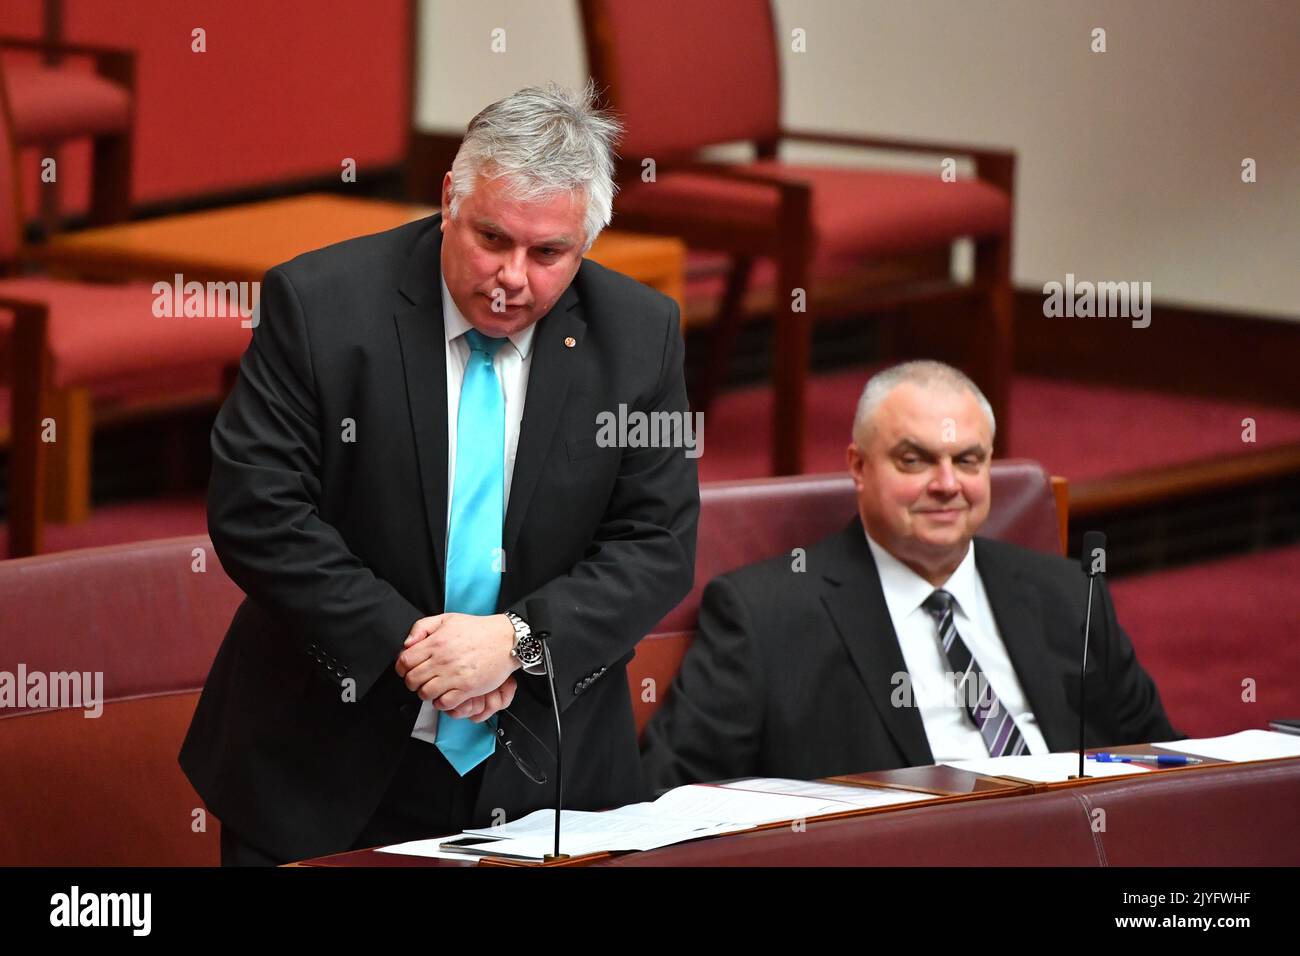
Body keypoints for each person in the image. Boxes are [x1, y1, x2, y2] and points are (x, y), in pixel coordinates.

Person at [180, 83, 699, 865]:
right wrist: (417, 649)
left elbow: (655, 542)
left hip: (546, 775)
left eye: (548, 253)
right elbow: (261, 510)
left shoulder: (639, 336)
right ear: (450, 196)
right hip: (326, 763)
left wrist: (518, 641)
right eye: (492, 238)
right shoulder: (321, 305)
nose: (512, 277)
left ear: (588, 243)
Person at [641, 360, 1175, 790]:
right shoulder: (766, 615)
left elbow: (1161, 760)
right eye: (915, 460)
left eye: (968, 460)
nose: (947, 484)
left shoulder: (1066, 594)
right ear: (858, 466)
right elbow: (671, 794)